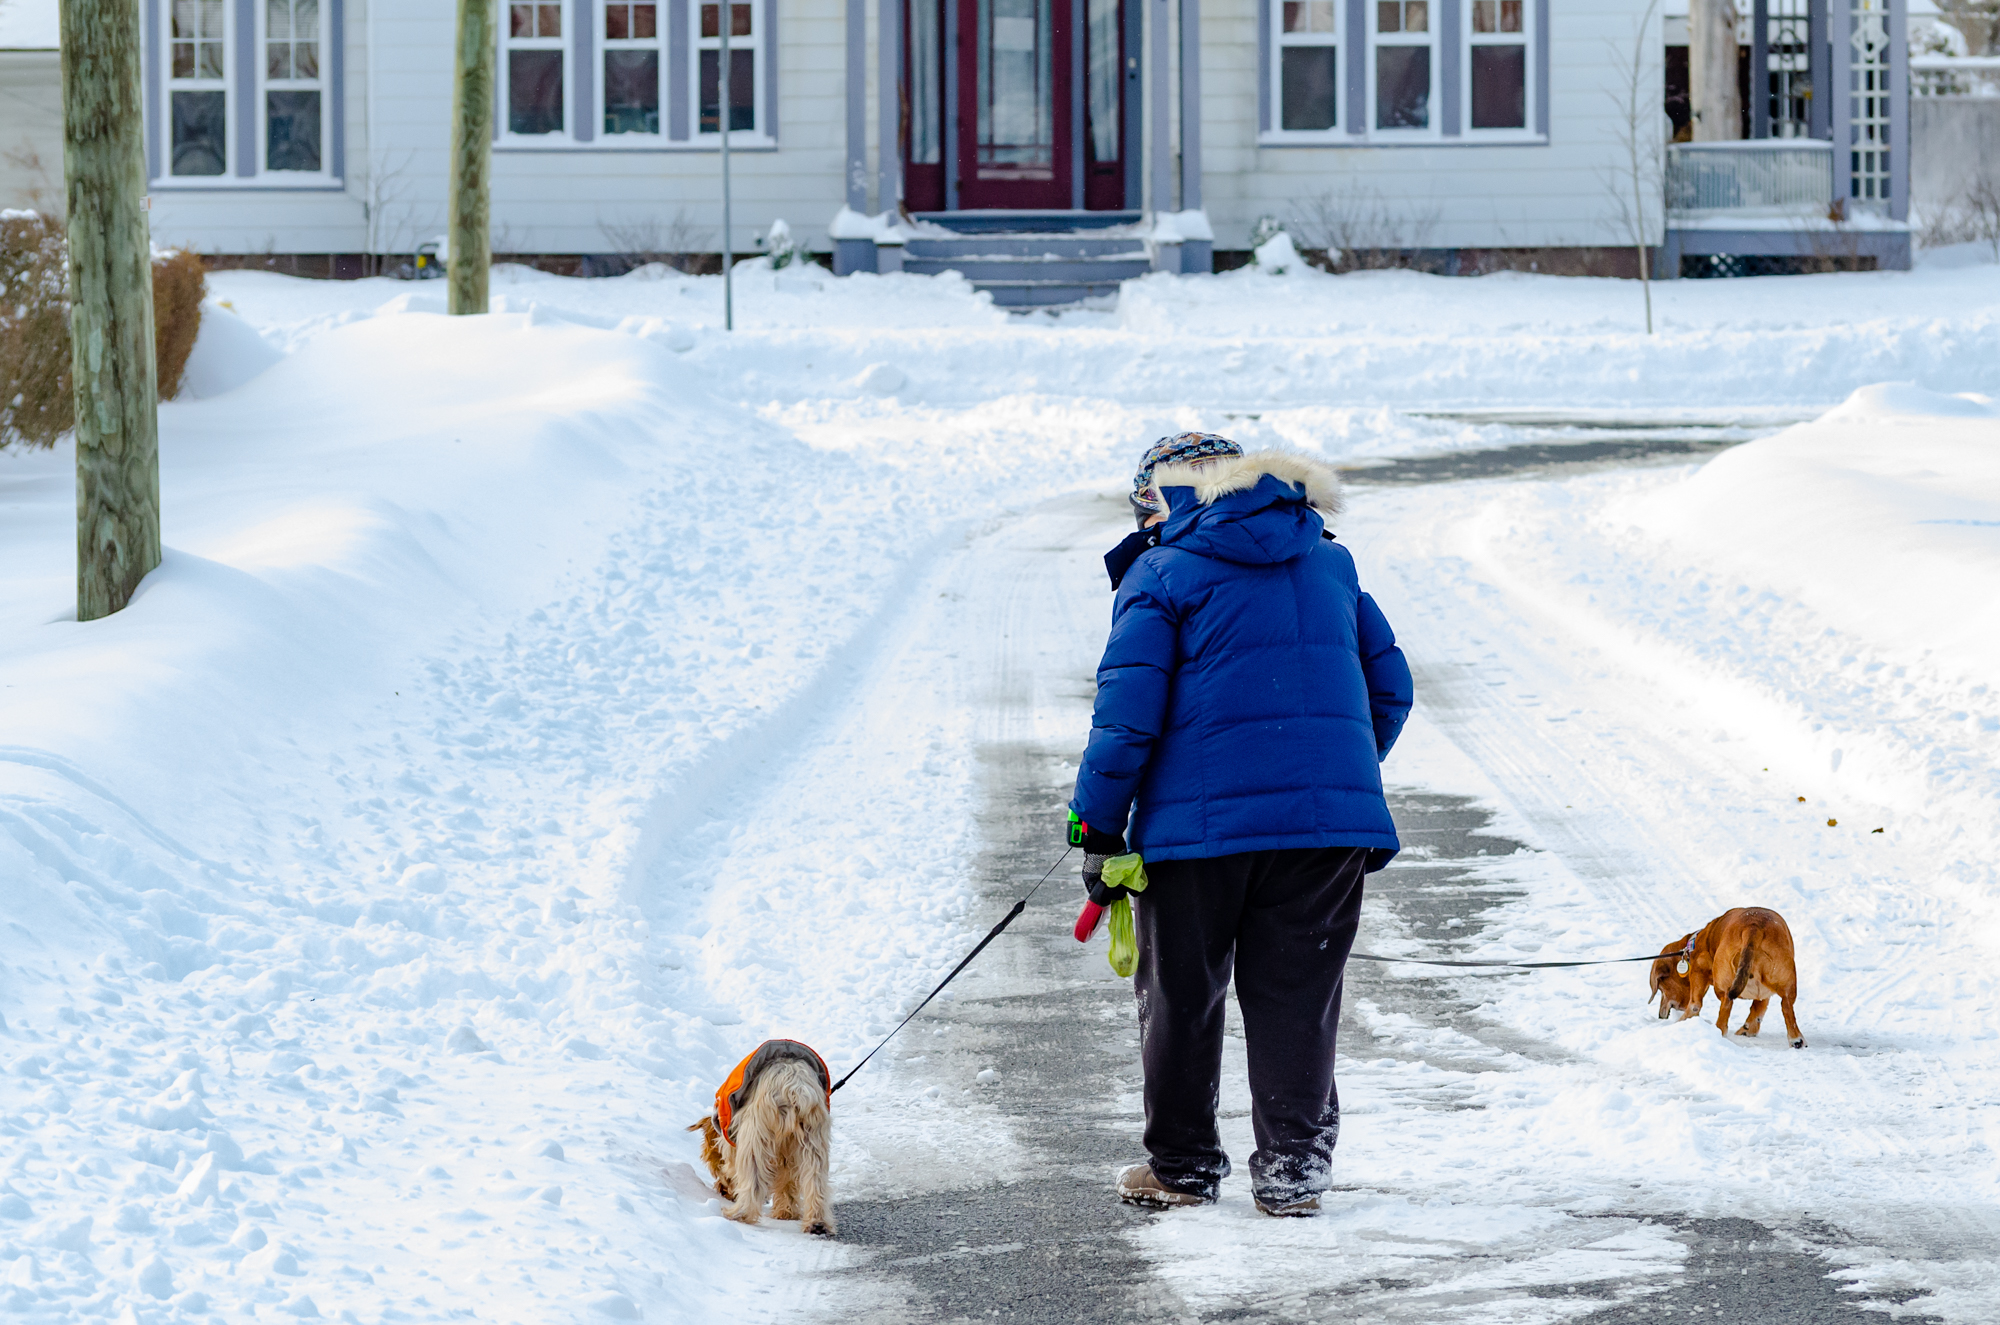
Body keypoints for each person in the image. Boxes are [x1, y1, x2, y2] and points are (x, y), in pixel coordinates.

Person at [1067, 431, 1412, 1217]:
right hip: (1325, 833)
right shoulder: (1330, 560)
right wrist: (1332, 773)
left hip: (1196, 839)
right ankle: (1292, 1171)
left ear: (1163, 498)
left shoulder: (1159, 571)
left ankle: (1183, 1168)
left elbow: (1125, 718)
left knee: (1183, 997)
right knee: (1298, 997)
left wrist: (1097, 827)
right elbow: (1389, 688)